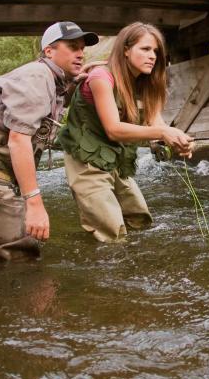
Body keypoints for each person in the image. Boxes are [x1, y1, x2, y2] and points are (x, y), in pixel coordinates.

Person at [0, 21, 98, 259]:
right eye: (72, 47)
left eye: (82, 49)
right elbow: (18, 141)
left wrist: (73, 82)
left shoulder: (51, 80)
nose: (80, 54)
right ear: (49, 52)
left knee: (18, 260)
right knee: (19, 262)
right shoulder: (37, 77)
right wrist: (34, 203)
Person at [55, 21, 194, 242]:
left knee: (140, 219)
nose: (152, 56)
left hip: (117, 158)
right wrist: (162, 134)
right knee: (111, 232)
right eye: (145, 49)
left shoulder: (147, 83)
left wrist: (179, 140)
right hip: (86, 159)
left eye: (155, 51)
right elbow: (113, 130)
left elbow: (156, 123)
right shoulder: (101, 77)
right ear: (126, 50)